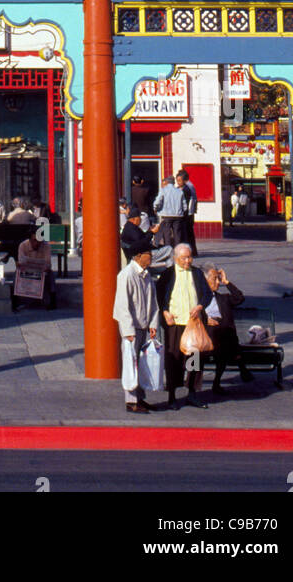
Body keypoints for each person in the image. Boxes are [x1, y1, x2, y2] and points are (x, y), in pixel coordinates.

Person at [157, 244, 211, 409]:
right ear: (175, 258)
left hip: (193, 324)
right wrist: (165, 312)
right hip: (175, 325)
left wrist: (200, 306)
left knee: (193, 360)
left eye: (189, 257)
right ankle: (172, 395)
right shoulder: (168, 274)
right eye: (183, 258)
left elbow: (207, 294)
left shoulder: (197, 273)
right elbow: (159, 297)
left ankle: (192, 393)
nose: (187, 261)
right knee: (174, 359)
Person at [113, 247, 160, 414]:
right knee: (131, 364)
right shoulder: (126, 274)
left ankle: (140, 398)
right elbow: (122, 305)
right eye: (149, 254)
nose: (152, 257)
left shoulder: (147, 275)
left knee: (141, 364)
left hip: (143, 325)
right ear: (139, 255)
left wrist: (153, 324)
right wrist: (128, 331)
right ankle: (131, 401)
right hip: (132, 328)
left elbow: (153, 302)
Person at [203, 264, 254, 394]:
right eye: (215, 279)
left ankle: (217, 382)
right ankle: (241, 365)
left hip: (222, 338)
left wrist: (227, 282)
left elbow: (239, 298)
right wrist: (205, 319)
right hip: (204, 336)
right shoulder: (197, 298)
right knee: (225, 338)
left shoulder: (222, 298)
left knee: (225, 337)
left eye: (218, 279)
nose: (218, 282)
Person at [11, 231, 56, 311]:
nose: (37, 243)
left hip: (41, 271)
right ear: (30, 240)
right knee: (16, 274)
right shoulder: (23, 245)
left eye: (39, 241)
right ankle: (15, 302)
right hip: (26, 270)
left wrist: (45, 268)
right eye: (34, 240)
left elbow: (48, 264)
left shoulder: (46, 246)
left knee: (51, 274)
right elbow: (21, 261)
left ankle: (52, 301)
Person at [153, 175, 190, 249]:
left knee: (167, 234)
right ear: (174, 182)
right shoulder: (180, 191)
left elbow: (157, 202)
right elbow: (185, 206)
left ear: (167, 182)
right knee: (177, 234)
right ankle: (178, 250)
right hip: (178, 216)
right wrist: (182, 211)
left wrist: (156, 208)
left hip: (166, 215)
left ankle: (167, 250)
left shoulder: (163, 190)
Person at [178, 168, 199, 256]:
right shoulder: (191, 185)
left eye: (179, 179)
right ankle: (193, 251)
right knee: (190, 233)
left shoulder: (187, 188)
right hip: (190, 213)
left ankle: (190, 251)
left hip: (187, 214)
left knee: (187, 233)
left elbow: (186, 202)